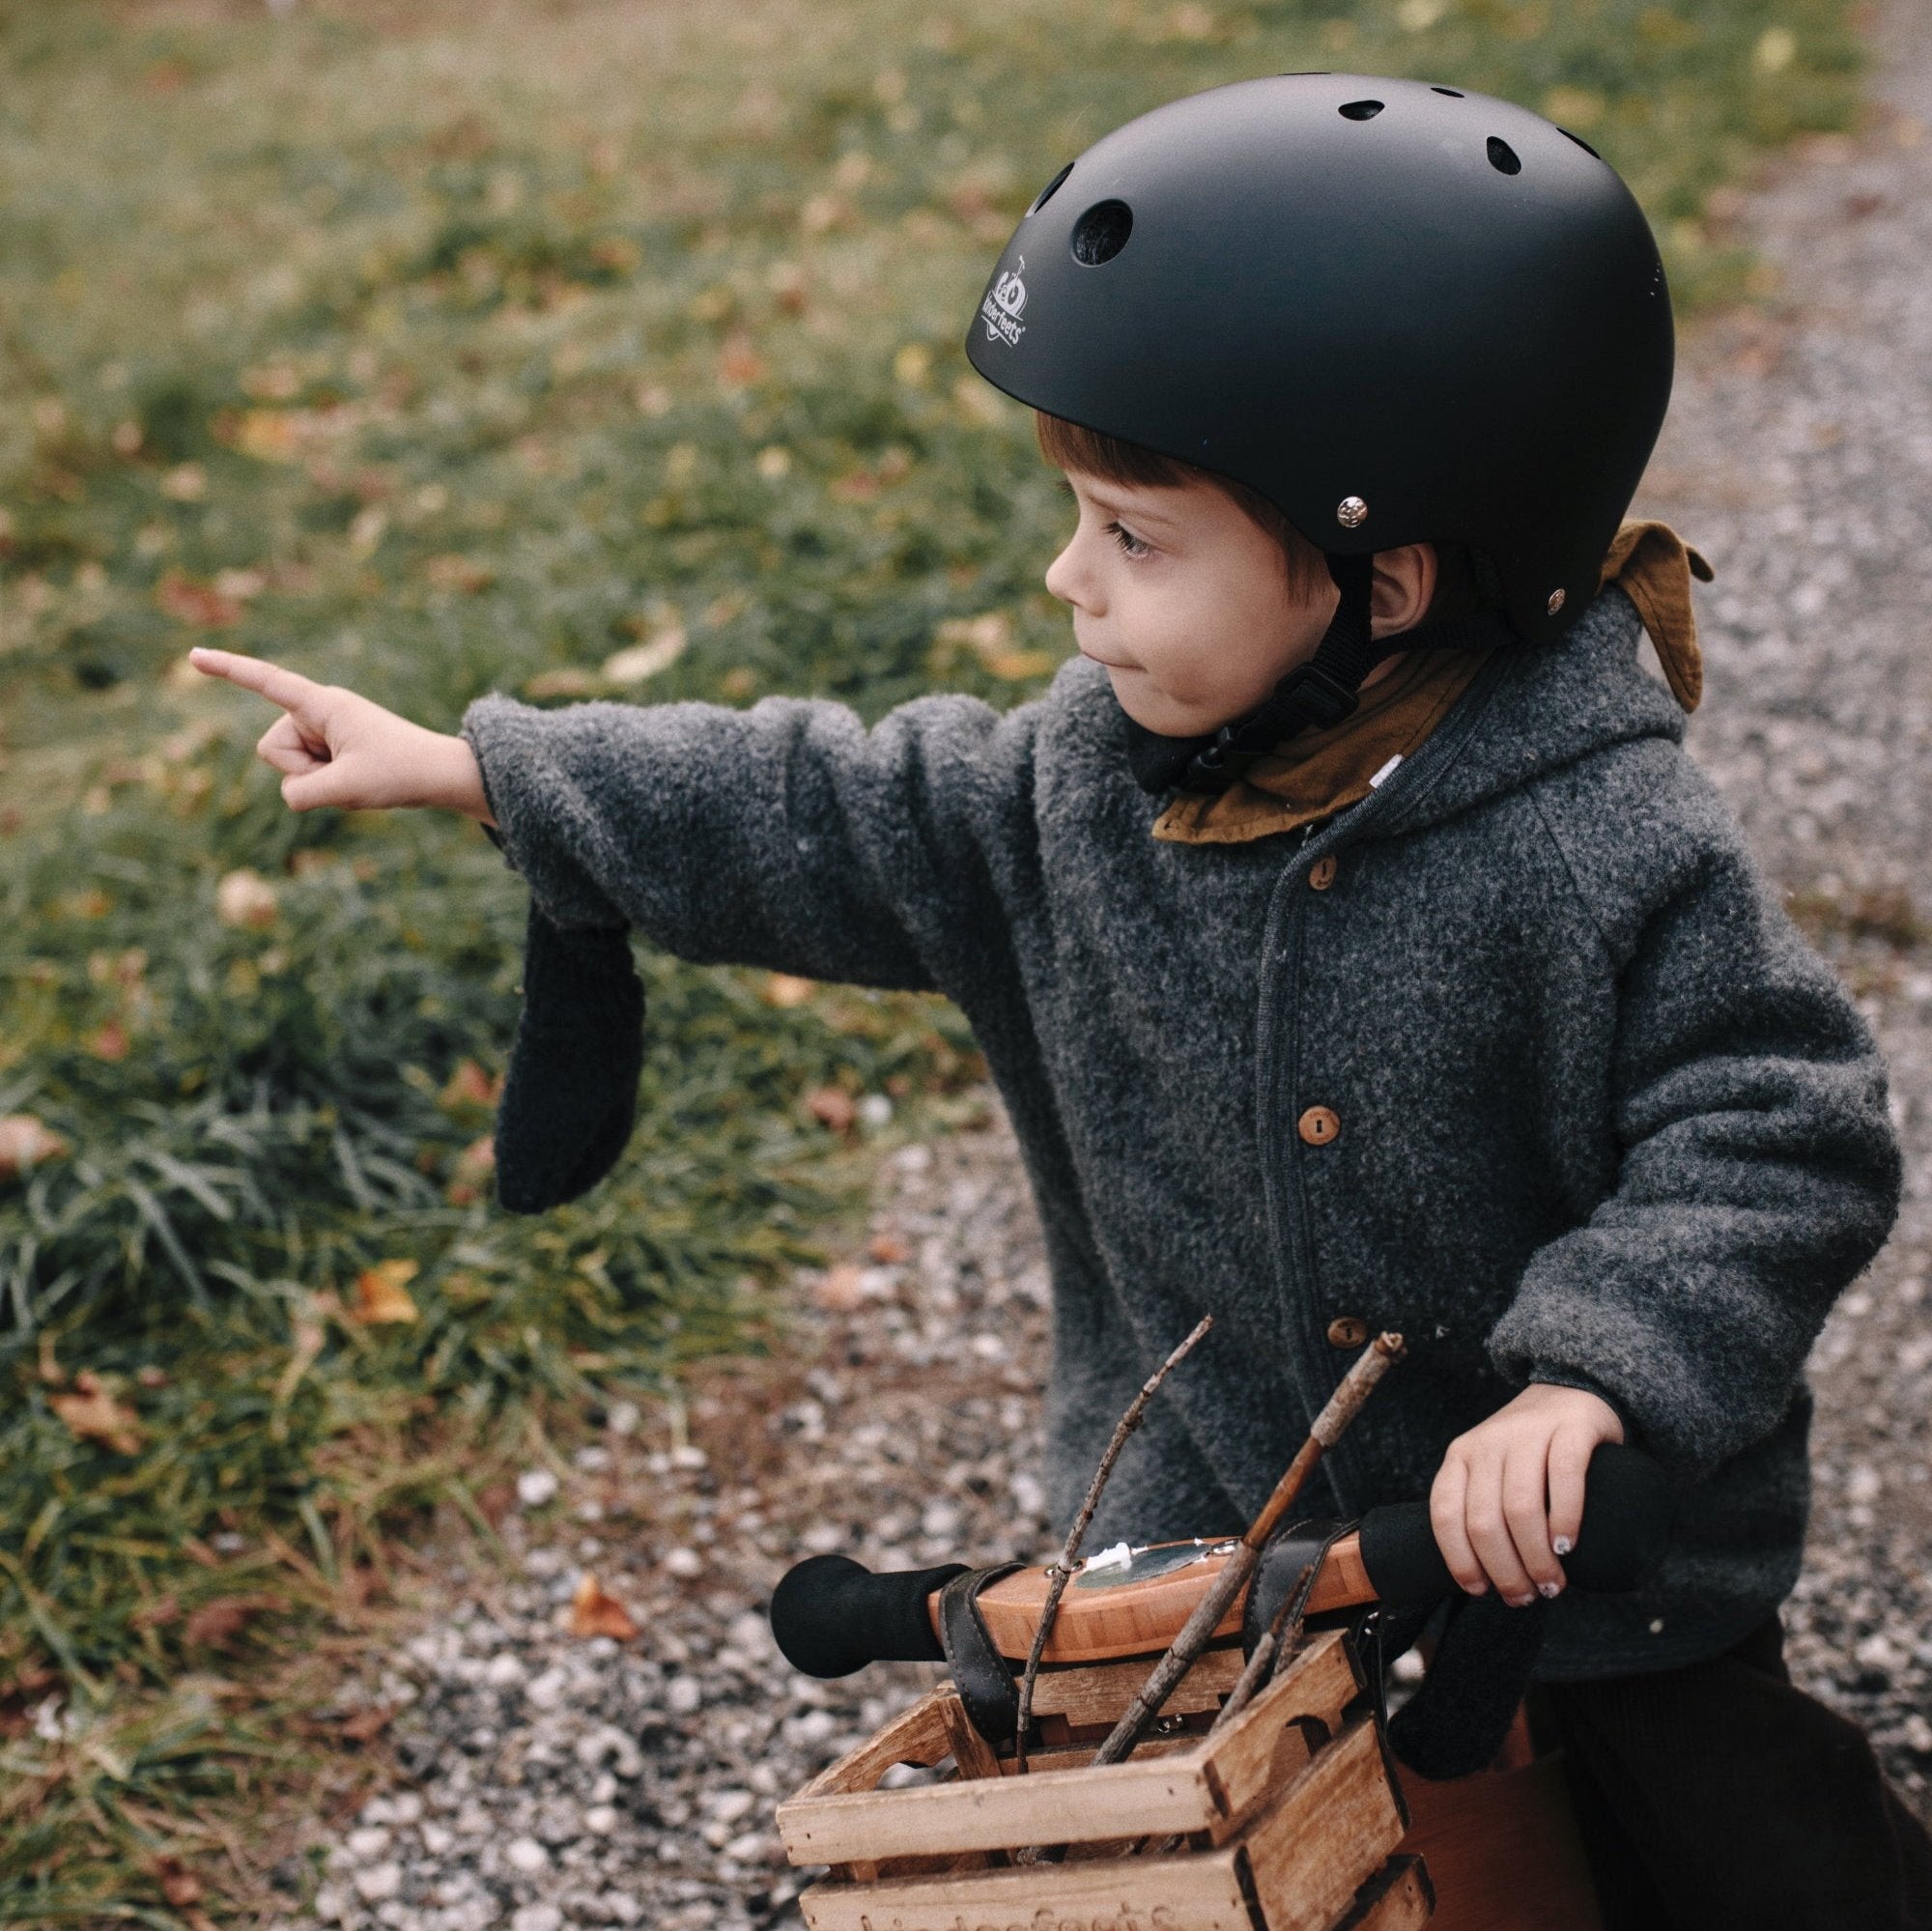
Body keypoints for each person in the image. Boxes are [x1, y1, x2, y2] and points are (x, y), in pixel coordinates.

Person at [191, 73, 1930, 1928]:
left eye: (1134, 538)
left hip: (1582, 1575)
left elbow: (1779, 1120)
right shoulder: (1079, 790)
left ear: (1385, 581)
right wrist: (488, 769)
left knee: (1751, 1865)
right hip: (1211, 1552)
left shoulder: (1595, 835)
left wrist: (1595, 1375)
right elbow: (824, 806)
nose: (1065, 582)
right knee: (1213, 1876)